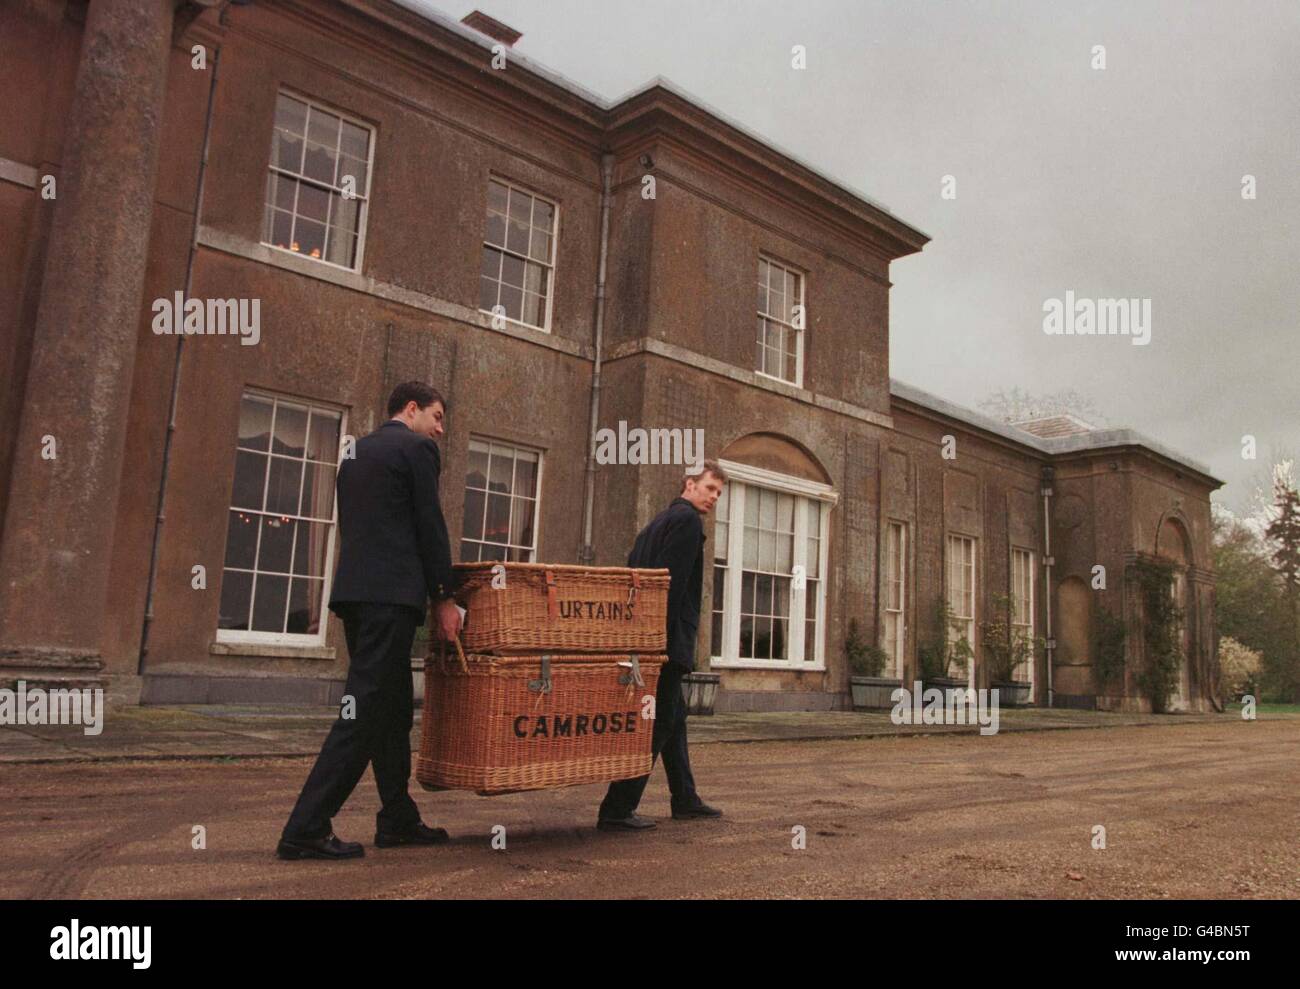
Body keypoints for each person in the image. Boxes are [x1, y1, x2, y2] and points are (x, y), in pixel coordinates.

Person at [277, 381, 463, 860]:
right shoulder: (416, 448)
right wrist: (444, 596)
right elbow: (429, 524)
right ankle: (305, 827)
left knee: (392, 708)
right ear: (411, 408)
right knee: (360, 712)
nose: (440, 429)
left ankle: (397, 817)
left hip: (357, 596)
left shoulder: (355, 452)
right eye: (438, 417)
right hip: (391, 598)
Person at [596, 461, 728, 831]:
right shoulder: (687, 522)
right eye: (709, 488)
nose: (714, 497)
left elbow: (633, 574)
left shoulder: (655, 524)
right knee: (659, 720)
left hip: (649, 637)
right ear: (690, 484)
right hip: (665, 642)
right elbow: (668, 587)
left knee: (675, 718)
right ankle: (617, 808)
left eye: (719, 492)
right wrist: (661, 646)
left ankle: (685, 798)